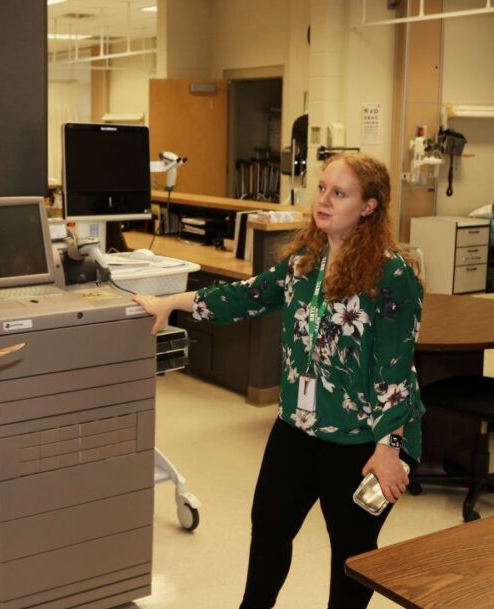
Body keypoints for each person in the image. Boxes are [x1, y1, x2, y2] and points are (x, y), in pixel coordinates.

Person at [132, 153, 424, 609]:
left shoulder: (392, 274)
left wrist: (390, 447)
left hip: (363, 438)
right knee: (269, 530)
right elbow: (246, 296)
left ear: (368, 207)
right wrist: (172, 302)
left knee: (351, 556)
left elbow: (395, 368)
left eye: (339, 193)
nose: (324, 200)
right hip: (298, 425)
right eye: (322, 189)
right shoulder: (306, 261)